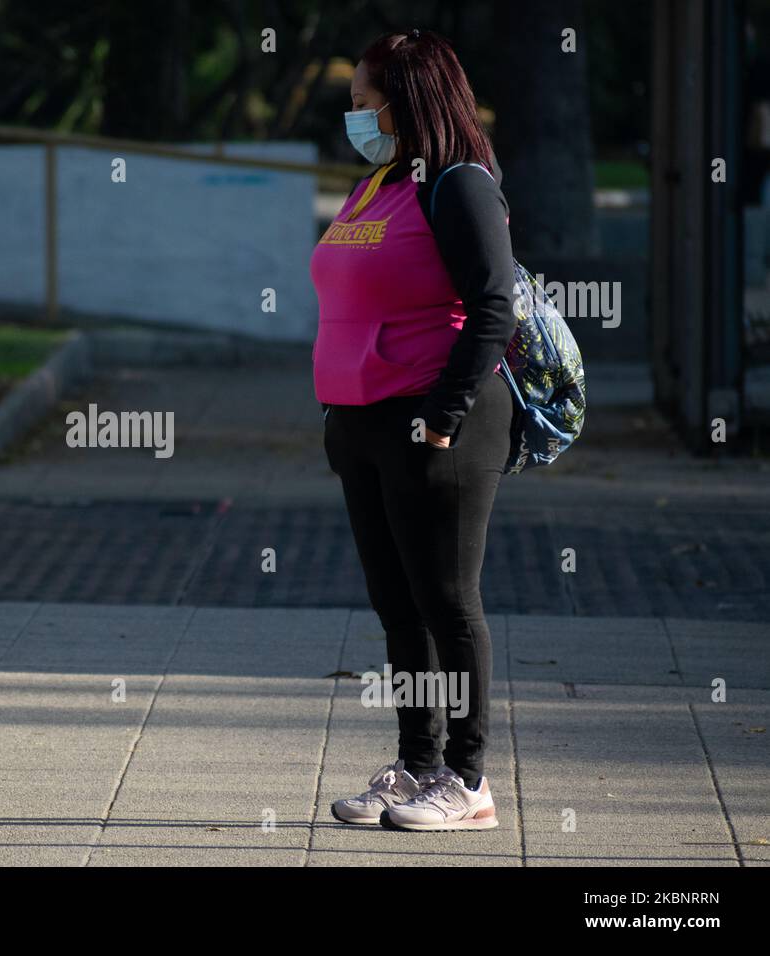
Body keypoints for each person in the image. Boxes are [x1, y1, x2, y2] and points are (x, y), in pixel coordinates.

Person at [315, 29, 516, 831]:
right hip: (361, 425)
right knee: (398, 606)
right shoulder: (379, 184)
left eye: (365, 103)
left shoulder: (461, 183)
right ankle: (418, 763)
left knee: (448, 602)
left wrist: (443, 413)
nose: (355, 117)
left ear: (405, 100)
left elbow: (493, 303)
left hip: (438, 425)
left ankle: (468, 782)